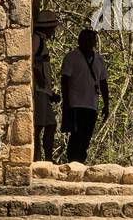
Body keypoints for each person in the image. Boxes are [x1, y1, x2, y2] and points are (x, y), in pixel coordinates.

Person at [61, 28, 109, 164]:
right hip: (75, 103)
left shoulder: (99, 59)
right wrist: (66, 102)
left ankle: (80, 162)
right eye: (86, 39)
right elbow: (64, 80)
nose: (89, 42)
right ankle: (72, 162)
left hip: (92, 104)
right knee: (76, 136)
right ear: (79, 41)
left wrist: (106, 105)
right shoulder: (72, 57)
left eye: (91, 40)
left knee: (87, 137)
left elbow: (103, 82)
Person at [32, 10, 60, 162]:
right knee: (38, 127)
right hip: (39, 89)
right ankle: (37, 159)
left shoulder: (40, 39)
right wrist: (40, 78)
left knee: (50, 125)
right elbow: (33, 61)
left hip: (44, 90)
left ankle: (47, 159)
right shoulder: (37, 39)